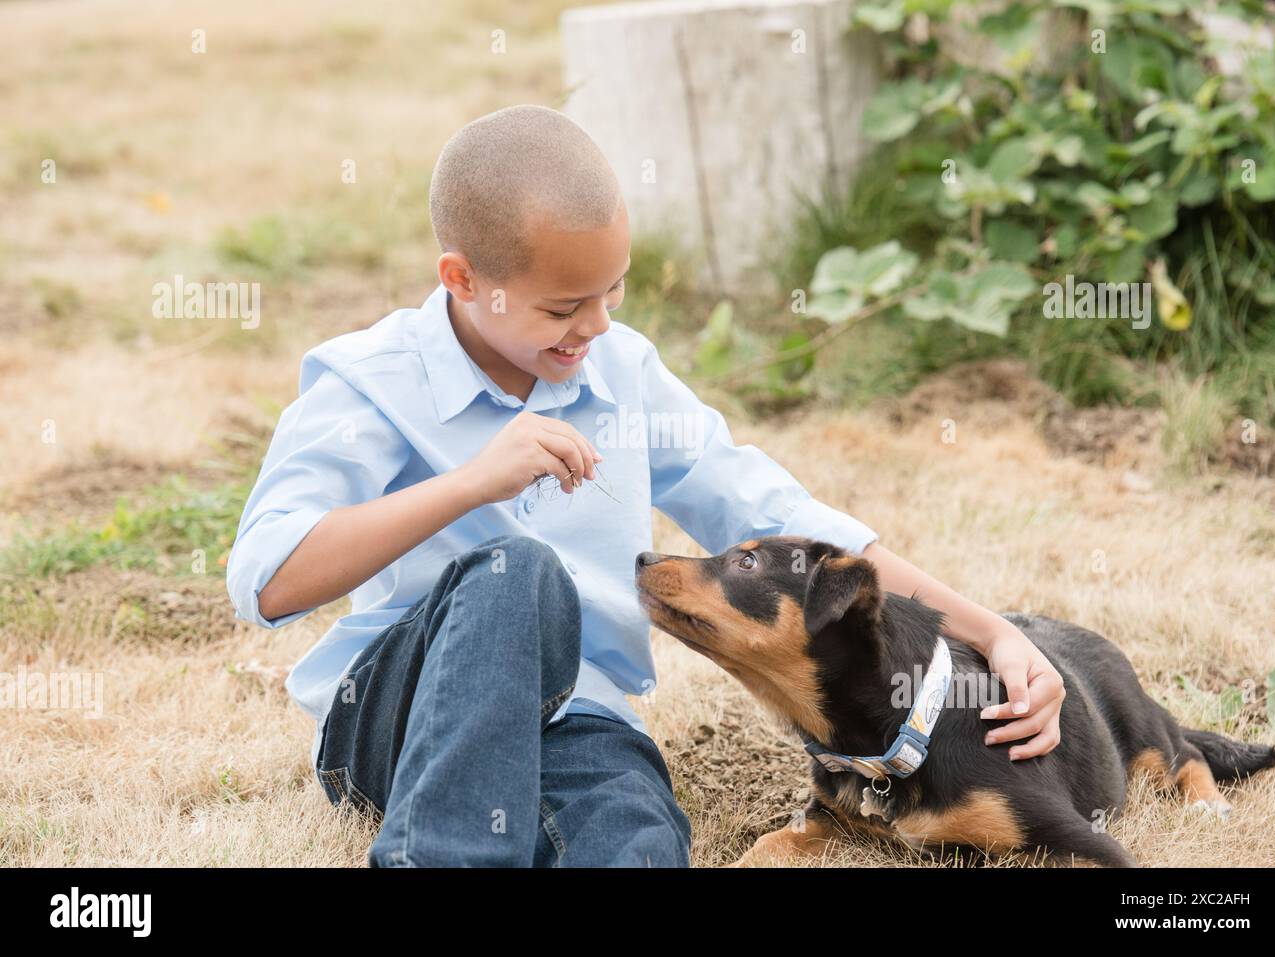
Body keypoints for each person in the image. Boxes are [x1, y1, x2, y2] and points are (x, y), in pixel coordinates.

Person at [226, 104, 1066, 867]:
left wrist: (993, 634)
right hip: (400, 723)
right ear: (463, 279)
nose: (593, 328)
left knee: (640, 844)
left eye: (612, 292)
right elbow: (267, 581)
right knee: (519, 573)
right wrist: (471, 484)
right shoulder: (369, 381)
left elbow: (780, 517)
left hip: (580, 722)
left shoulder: (621, 371)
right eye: (562, 308)